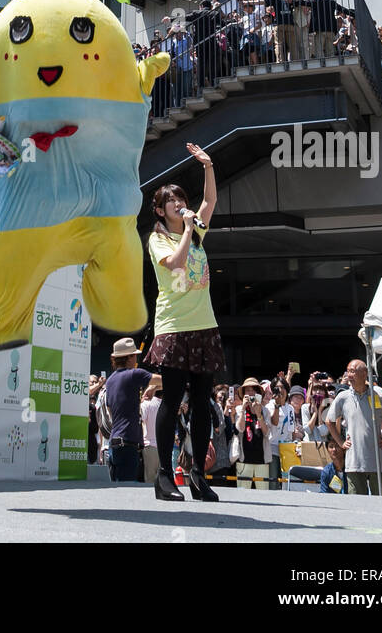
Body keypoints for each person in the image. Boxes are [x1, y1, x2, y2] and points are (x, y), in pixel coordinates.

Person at [145, 143, 222, 502]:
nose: (179, 202)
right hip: (173, 326)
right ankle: (164, 476)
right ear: (160, 209)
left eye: (181, 198)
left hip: (204, 324)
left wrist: (208, 166)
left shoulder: (195, 225)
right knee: (172, 399)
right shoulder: (158, 238)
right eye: (171, 200)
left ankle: (197, 474)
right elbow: (176, 264)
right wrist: (190, 230)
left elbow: (209, 204)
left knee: (203, 401)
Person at [325, 359, 382, 495]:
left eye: (352, 371)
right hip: (354, 462)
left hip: (377, 462)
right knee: (357, 505)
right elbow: (329, 421)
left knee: (381, 505)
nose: (349, 375)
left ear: (365, 373)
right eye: (348, 371)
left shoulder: (378, 394)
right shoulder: (343, 397)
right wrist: (341, 443)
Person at [103, 338, 154, 483]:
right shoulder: (134, 374)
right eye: (134, 355)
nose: (136, 357)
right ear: (129, 358)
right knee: (127, 490)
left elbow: (110, 410)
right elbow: (165, 382)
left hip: (114, 442)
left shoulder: (110, 380)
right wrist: (153, 387)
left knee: (117, 490)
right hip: (127, 443)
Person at [233, 377, 271, 489]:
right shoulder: (239, 409)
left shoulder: (265, 410)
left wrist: (259, 415)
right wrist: (244, 409)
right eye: (248, 391)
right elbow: (240, 429)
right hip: (244, 458)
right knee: (243, 492)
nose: (251, 393)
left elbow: (267, 433)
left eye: (253, 390)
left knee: (263, 492)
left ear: (258, 393)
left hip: (262, 459)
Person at [140, 379, 162, 485]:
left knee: (149, 481)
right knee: (161, 480)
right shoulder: (165, 405)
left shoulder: (146, 404)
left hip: (149, 445)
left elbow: (140, 419)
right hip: (163, 448)